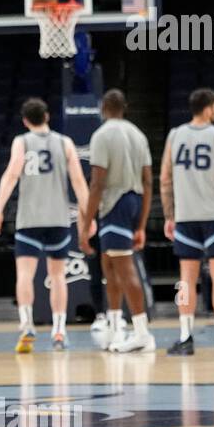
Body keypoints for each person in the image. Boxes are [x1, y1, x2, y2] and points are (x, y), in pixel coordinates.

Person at [0, 98, 89, 352]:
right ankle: (58, 330)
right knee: (58, 277)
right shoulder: (64, 143)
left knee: (25, 274)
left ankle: (26, 324)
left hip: (29, 219)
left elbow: (11, 175)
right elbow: (79, 182)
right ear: (47, 116)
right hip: (58, 219)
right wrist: (89, 217)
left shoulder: (21, 142)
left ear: (25, 120)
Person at [160, 88, 214, 355]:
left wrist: (169, 215)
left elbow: (165, 179)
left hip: (186, 217)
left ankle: (185, 338)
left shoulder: (174, 135)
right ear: (208, 108)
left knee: (186, 280)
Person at [79, 89, 155, 353]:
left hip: (115, 202)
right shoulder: (138, 134)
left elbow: (98, 182)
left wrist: (86, 222)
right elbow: (148, 181)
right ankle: (114, 324)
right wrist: (142, 224)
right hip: (133, 200)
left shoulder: (101, 135)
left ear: (103, 108)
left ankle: (142, 333)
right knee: (109, 265)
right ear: (126, 107)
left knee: (124, 268)